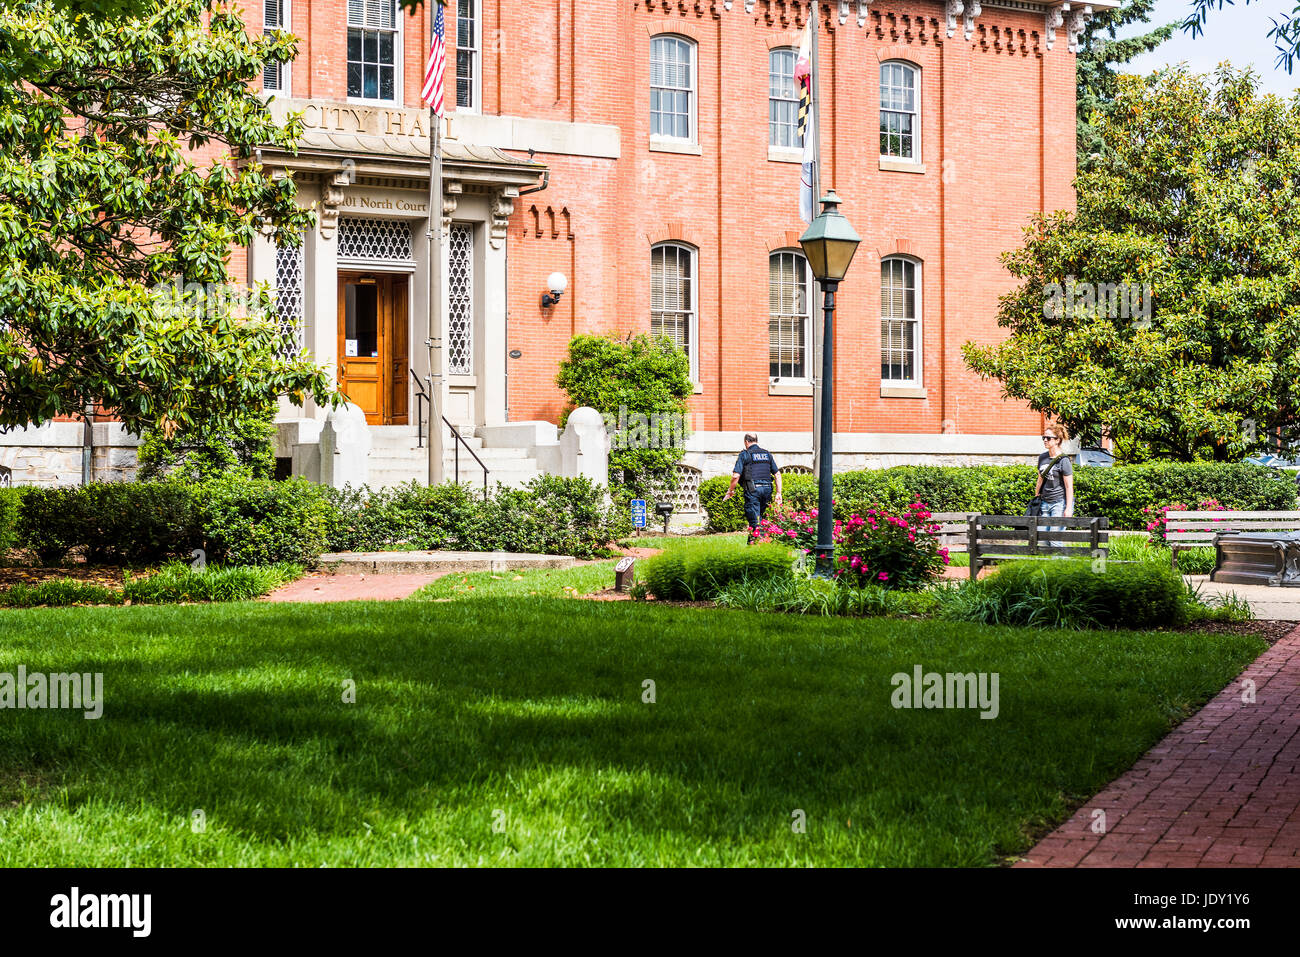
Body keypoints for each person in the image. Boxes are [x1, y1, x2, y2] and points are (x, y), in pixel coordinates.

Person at [723, 433, 782, 533]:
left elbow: (736, 476)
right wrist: (778, 493)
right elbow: (777, 475)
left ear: (746, 442)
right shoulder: (767, 454)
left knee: (754, 520)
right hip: (768, 490)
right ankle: (760, 542)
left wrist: (730, 491)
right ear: (756, 441)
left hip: (753, 490)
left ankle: (755, 543)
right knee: (763, 519)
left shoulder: (745, 454)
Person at [1036, 424, 1074, 548]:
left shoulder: (1064, 460)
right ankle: (1048, 567)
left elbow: (1069, 486)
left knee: (1054, 539)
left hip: (1059, 503)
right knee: (1042, 540)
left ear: (1057, 440)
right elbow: (1040, 478)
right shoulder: (1042, 457)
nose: (1045, 440)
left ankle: (1061, 566)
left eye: (1048, 438)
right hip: (1045, 503)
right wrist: (1036, 497)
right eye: (1044, 437)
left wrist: (1068, 508)